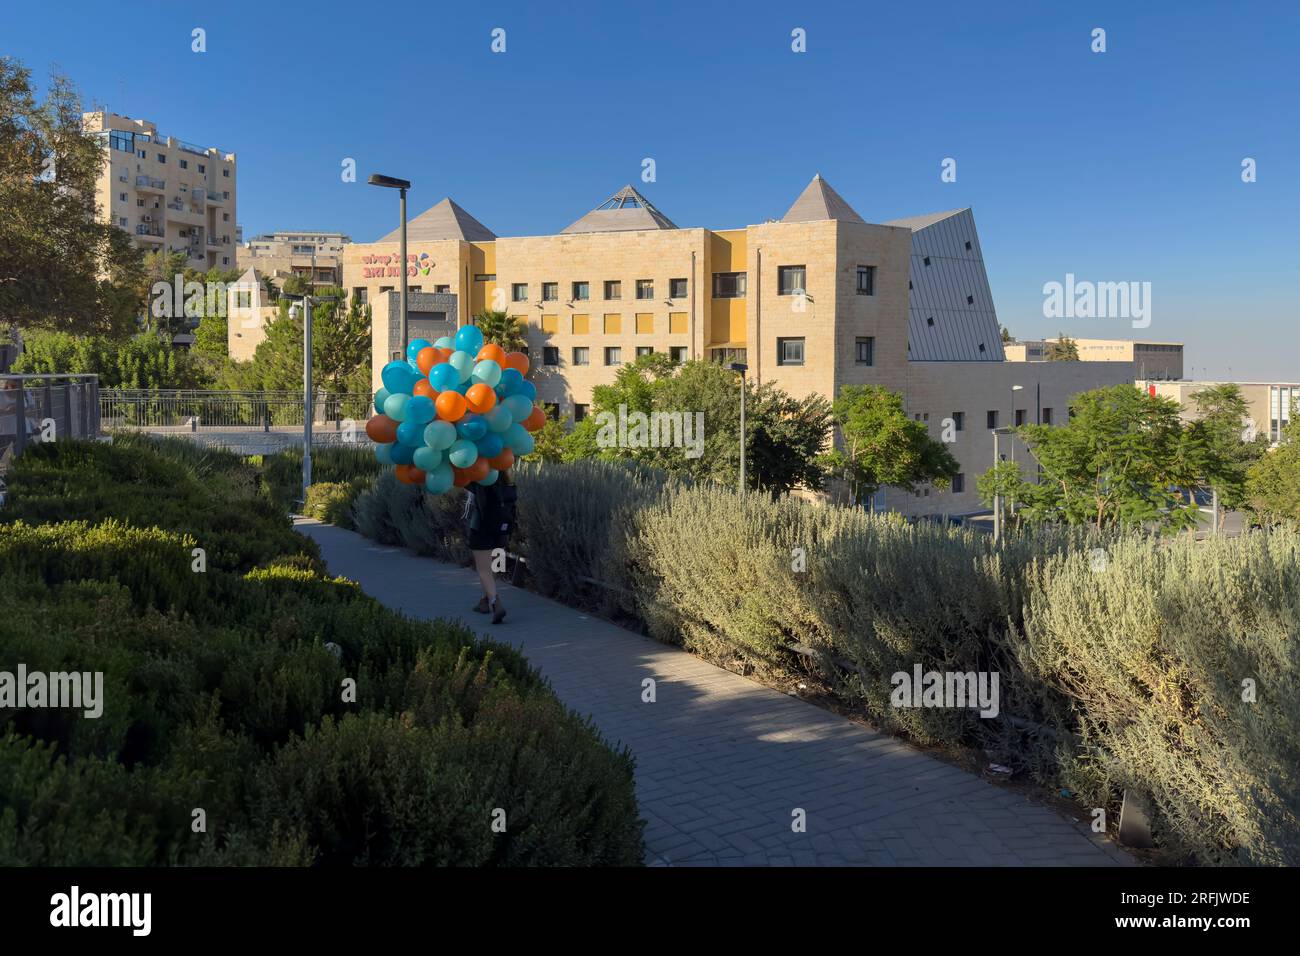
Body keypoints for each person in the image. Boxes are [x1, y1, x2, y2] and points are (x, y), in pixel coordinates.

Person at [465, 469, 517, 624]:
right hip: (502, 531)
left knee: (483, 570)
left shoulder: (479, 480)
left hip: (481, 528)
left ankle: (495, 602)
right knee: (495, 567)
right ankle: (484, 601)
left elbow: (461, 481)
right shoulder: (505, 481)